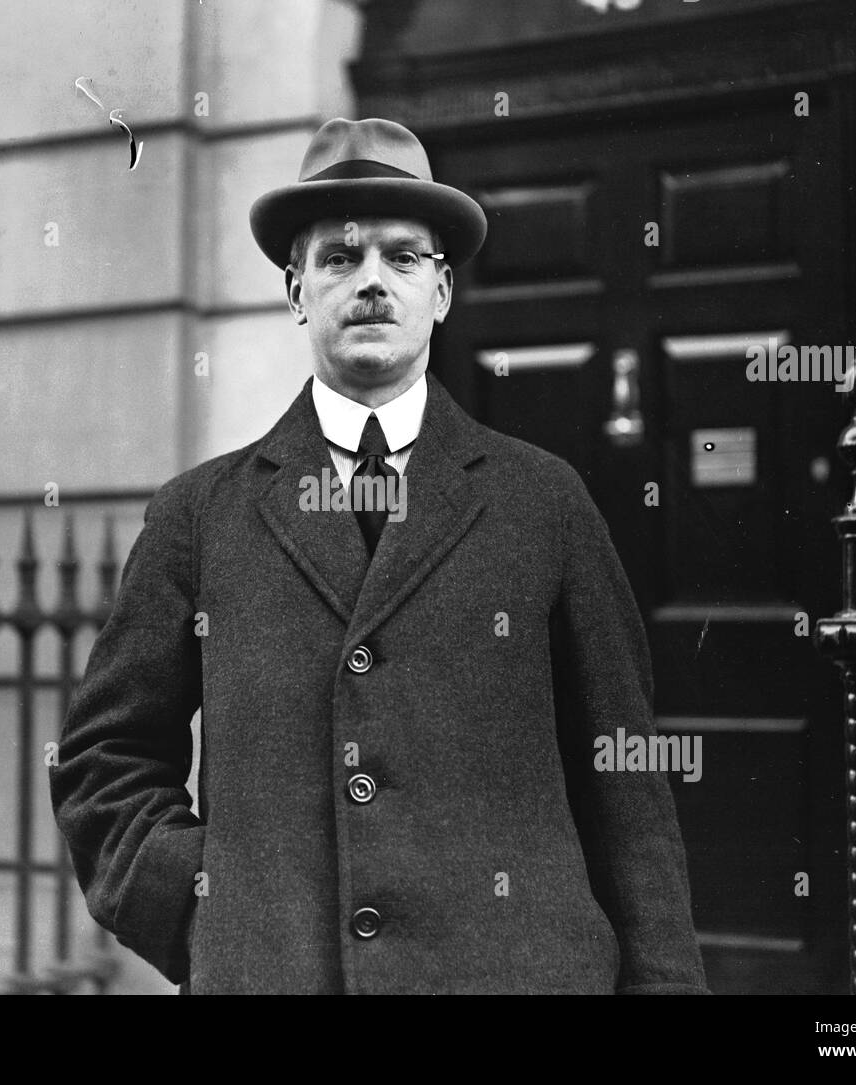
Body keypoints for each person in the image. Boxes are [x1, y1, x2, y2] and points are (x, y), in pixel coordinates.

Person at [50, 117, 708, 995]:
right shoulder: (198, 515)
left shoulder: (543, 501)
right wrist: (219, 916)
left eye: (402, 258)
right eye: (339, 258)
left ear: (441, 293)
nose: (370, 282)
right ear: (295, 291)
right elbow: (102, 762)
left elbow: (623, 774)